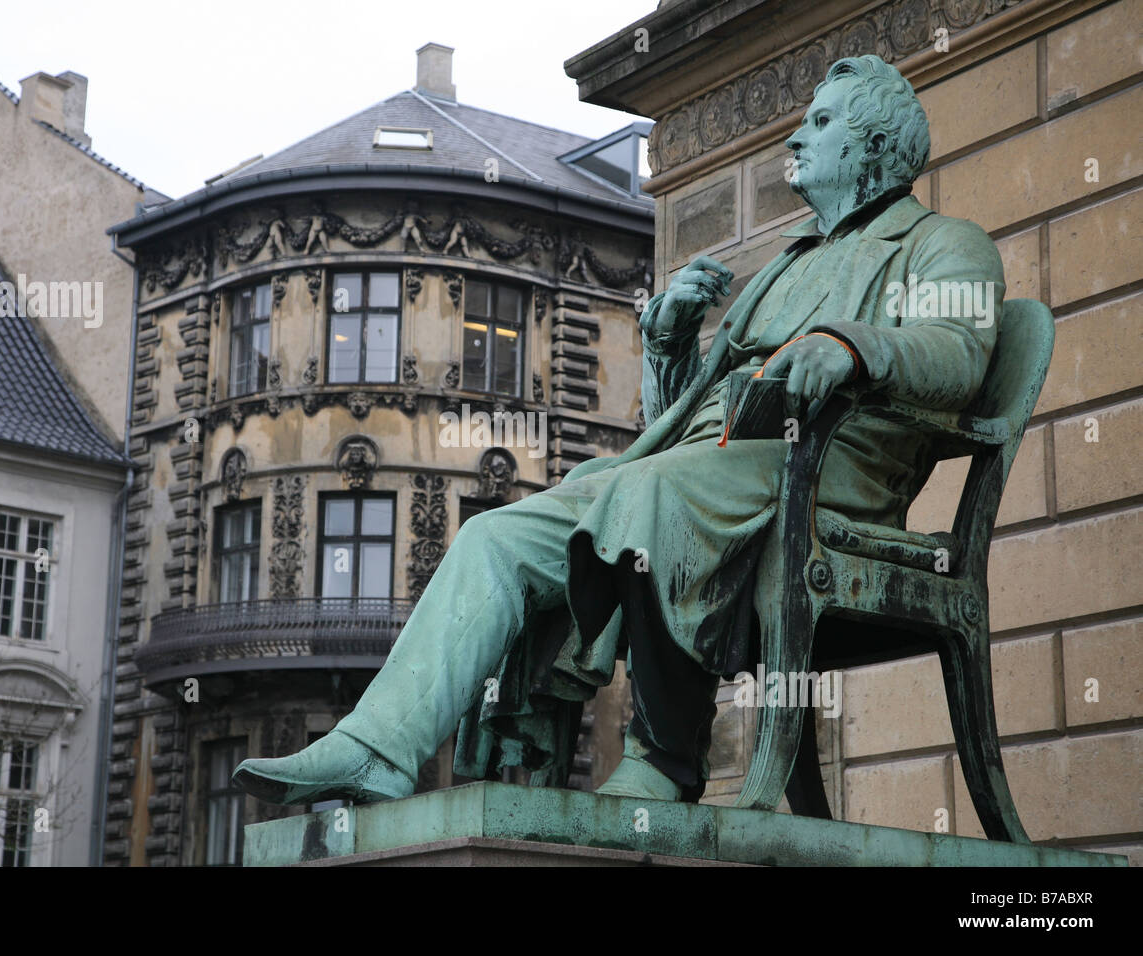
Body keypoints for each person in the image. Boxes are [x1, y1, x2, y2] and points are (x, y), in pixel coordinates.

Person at [233, 54, 1005, 805]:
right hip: (709, 464)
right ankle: (378, 749)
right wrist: (667, 341)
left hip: (828, 471)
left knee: (648, 497)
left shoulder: (943, 243)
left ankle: (666, 758)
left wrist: (850, 344)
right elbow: (679, 416)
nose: (795, 140)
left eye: (821, 122)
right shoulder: (783, 265)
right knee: (495, 537)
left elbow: (959, 352)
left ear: (874, 144)